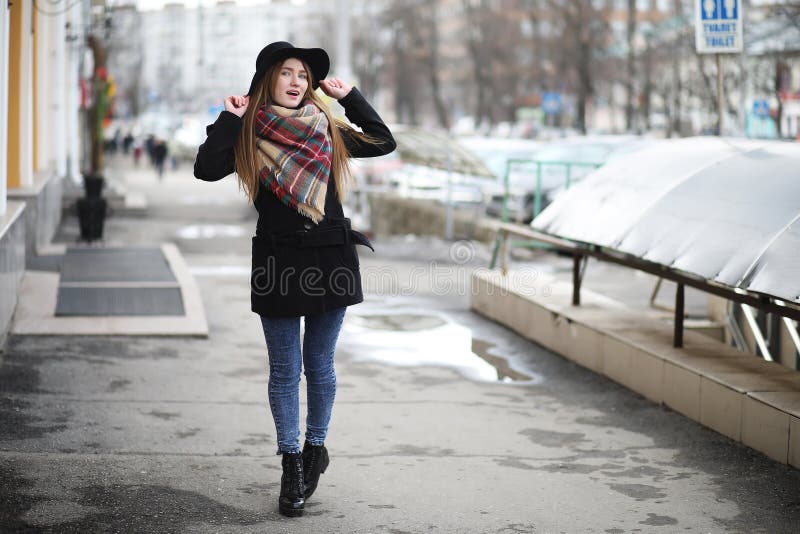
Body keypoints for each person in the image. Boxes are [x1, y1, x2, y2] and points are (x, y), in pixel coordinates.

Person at [193, 41, 395, 517]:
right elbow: (205, 169)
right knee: (285, 371)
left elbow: (384, 140)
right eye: (287, 73)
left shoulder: (328, 127)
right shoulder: (249, 134)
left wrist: (349, 97)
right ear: (268, 80)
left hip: (330, 258)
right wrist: (231, 118)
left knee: (319, 365)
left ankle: (314, 449)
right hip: (278, 263)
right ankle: (290, 463)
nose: (296, 82)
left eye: (303, 76)